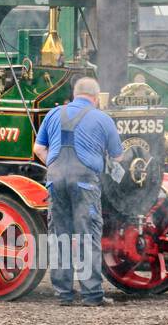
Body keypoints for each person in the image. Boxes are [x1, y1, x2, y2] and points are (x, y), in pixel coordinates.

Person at [33, 76, 124, 306]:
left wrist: (53, 167)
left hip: (55, 180)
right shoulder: (102, 118)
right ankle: (92, 295)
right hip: (85, 182)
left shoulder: (53, 114)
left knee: (59, 235)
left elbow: (39, 148)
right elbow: (118, 156)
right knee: (87, 235)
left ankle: (63, 294)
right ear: (96, 98)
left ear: (74, 95)